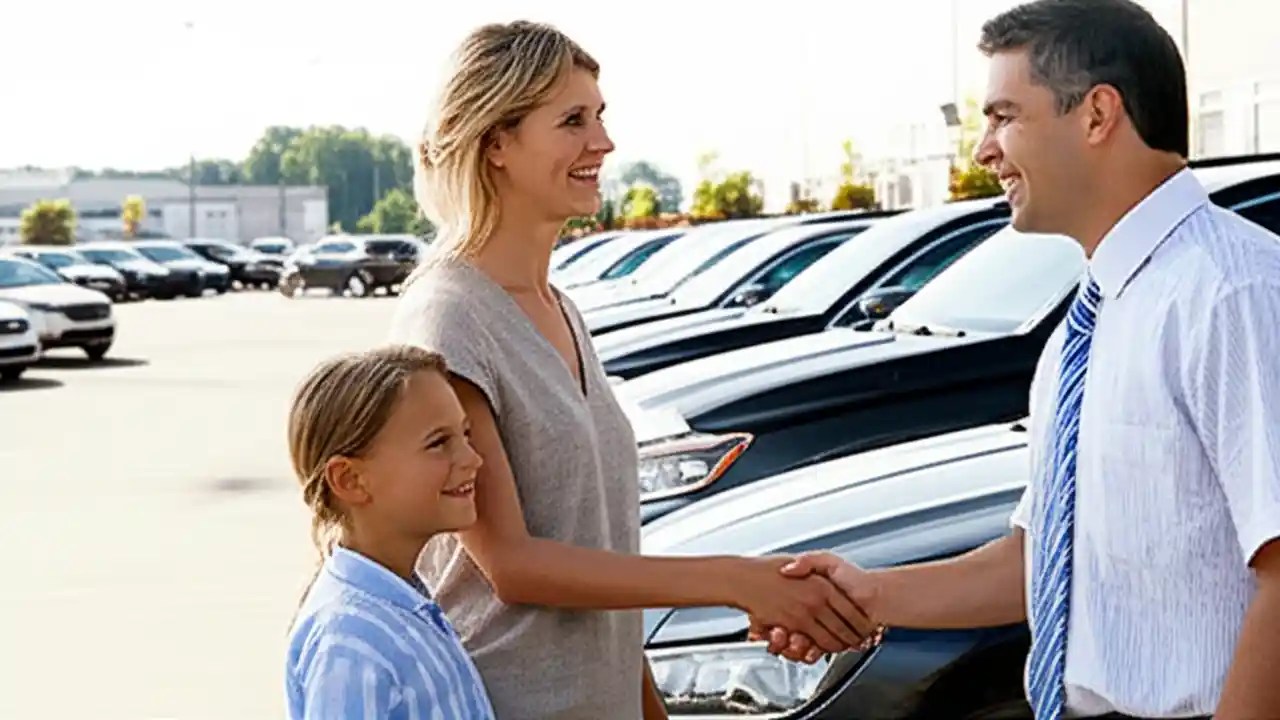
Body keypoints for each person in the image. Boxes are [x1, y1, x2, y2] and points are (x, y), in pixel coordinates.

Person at [760, 1, 1280, 719]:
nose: (983, 150)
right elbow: (1039, 563)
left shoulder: (1235, 291)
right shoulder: (1092, 318)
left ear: (1097, 114)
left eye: (1004, 116)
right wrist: (865, 592)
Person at [387, 20, 879, 720]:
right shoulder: (449, 317)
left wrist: (648, 704)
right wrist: (740, 582)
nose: (604, 143)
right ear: (496, 142)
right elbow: (513, 566)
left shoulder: (560, 306)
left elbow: (598, 547)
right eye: (572, 120)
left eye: (600, 116)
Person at [283, 345, 496, 719]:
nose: (472, 459)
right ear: (350, 479)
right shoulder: (351, 642)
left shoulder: (405, 601)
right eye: (439, 443)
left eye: (465, 435)